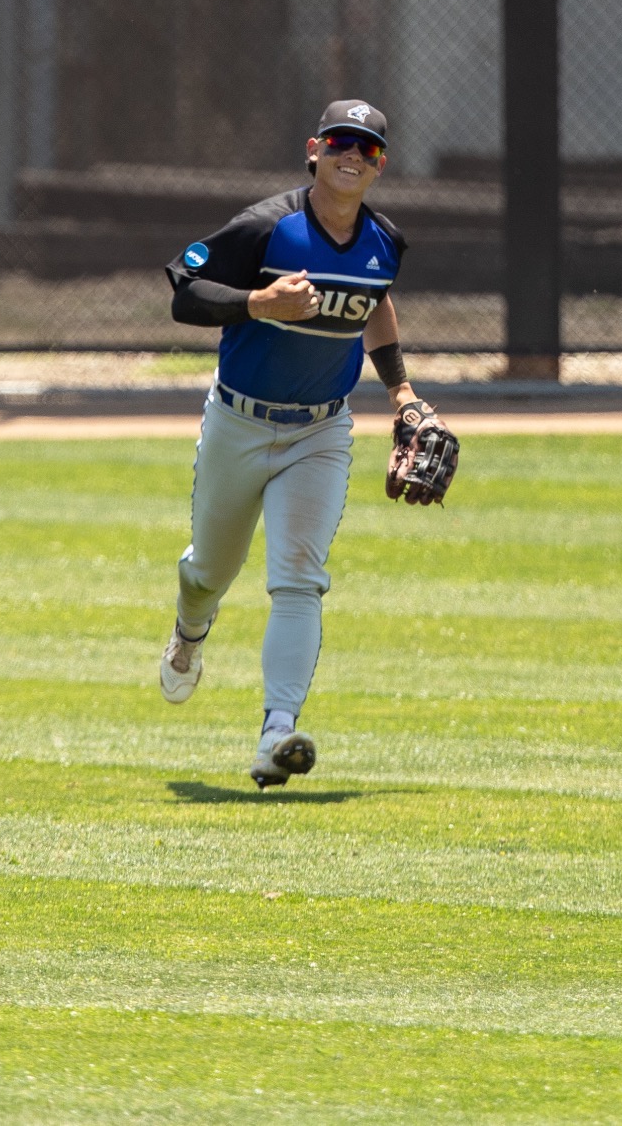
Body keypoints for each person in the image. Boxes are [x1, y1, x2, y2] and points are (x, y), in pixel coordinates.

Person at [159, 99, 458, 789]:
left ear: (381, 164)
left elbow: (376, 301)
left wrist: (403, 393)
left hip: (322, 429)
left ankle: (276, 732)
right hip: (238, 420)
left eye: (368, 148)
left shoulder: (385, 239)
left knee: (299, 576)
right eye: (341, 142)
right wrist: (256, 303)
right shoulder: (267, 227)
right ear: (314, 150)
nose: (353, 156)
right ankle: (189, 631)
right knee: (210, 568)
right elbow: (183, 288)